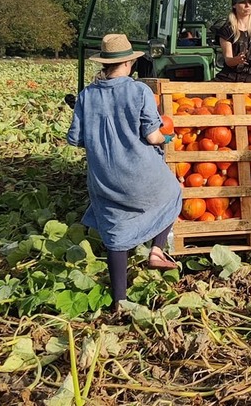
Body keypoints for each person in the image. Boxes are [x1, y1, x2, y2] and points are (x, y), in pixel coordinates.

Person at [67, 33, 183, 313]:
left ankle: (119, 301)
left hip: (104, 175)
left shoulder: (86, 95)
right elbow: (153, 136)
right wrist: (169, 139)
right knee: (172, 193)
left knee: (115, 230)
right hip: (139, 172)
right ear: (129, 63)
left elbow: (77, 139)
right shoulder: (139, 91)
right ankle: (157, 249)